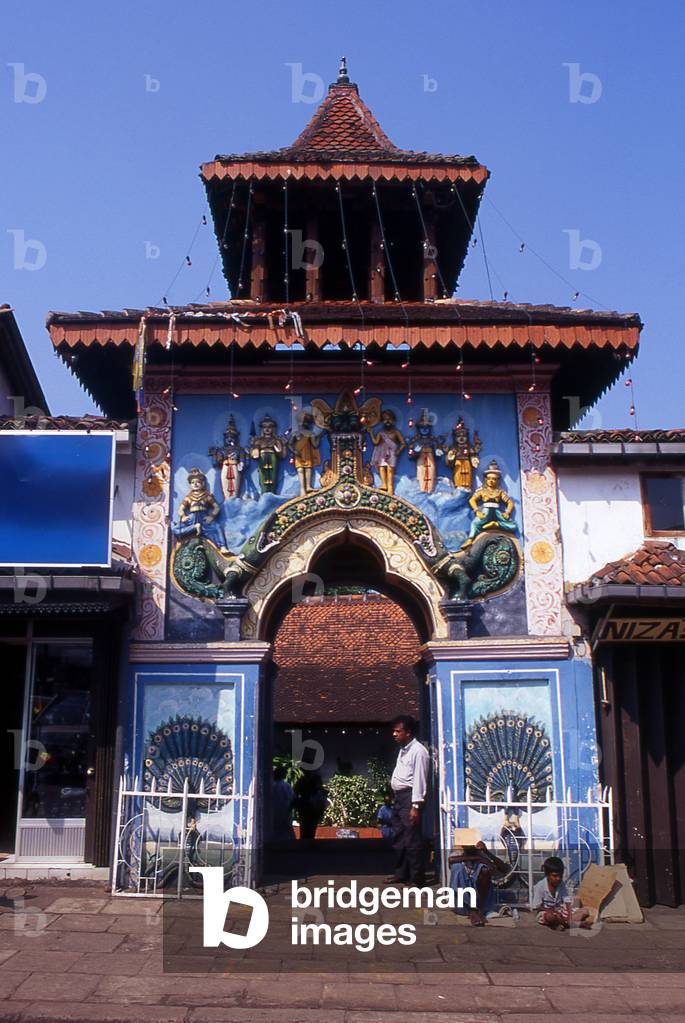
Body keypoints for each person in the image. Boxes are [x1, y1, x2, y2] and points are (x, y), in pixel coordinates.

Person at [389, 715, 430, 885]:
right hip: (399, 798)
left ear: (408, 732)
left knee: (412, 840)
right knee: (399, 839)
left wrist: (415, 806)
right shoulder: (403, 749)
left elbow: (420, 779)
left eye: (398, 731)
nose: (394, 734)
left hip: (410, 798)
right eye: (394, 731)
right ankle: (401, 874)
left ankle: (416, 879)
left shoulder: (419, 751)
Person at [448, 839, 509, 926]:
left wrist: (486, 852)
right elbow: (451, 860)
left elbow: (504, 869)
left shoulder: (483, 856)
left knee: (484, 869)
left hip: (480, 903)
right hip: (461, 904)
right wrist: (477, 858)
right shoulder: (457, 854)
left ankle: (477, 910)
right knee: (457, 867)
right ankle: (472, 910)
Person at [531, 856, 592, 929]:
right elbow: (537, 907)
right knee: (550, 917)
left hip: (559, 911)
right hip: (546, 912)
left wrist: (569, 916)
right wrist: (553, 911)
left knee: (585, 911)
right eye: (555, 876)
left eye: (560, 876)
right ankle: (572, 924)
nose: (558, 878)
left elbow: (567, 901)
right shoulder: (540, 886)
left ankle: (564, 923)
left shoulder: (561, 884)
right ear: (547, 875)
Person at [294, 771, 327, 840]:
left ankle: (305, 845)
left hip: (306, 808)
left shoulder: (302, 780)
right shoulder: (315, 779)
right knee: (310, 830)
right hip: (310, 809)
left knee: (305, 830)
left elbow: (295, 793)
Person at [271, 765, 295, 842]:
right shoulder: (285, 786)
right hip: (284, 812)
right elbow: (292, 799)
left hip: (274, 812)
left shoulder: (271, 786)